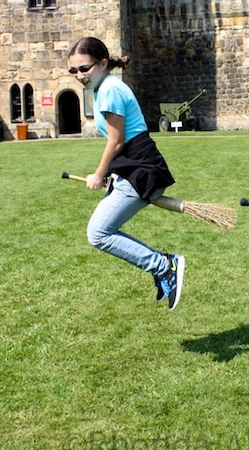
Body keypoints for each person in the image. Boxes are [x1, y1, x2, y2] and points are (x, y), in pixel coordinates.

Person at [68, 36, 185, 310]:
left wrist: (99, 174)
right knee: (102, 230)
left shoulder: (108, 89)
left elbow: (117, 141)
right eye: (73, 71)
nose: (79, 76)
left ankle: (163, 266)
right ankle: (162, 266)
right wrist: (113, 174)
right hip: (133, 167)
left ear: (103, 63)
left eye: (85, 68)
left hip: (141, 168)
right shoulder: (103, 88)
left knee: (98, 233)